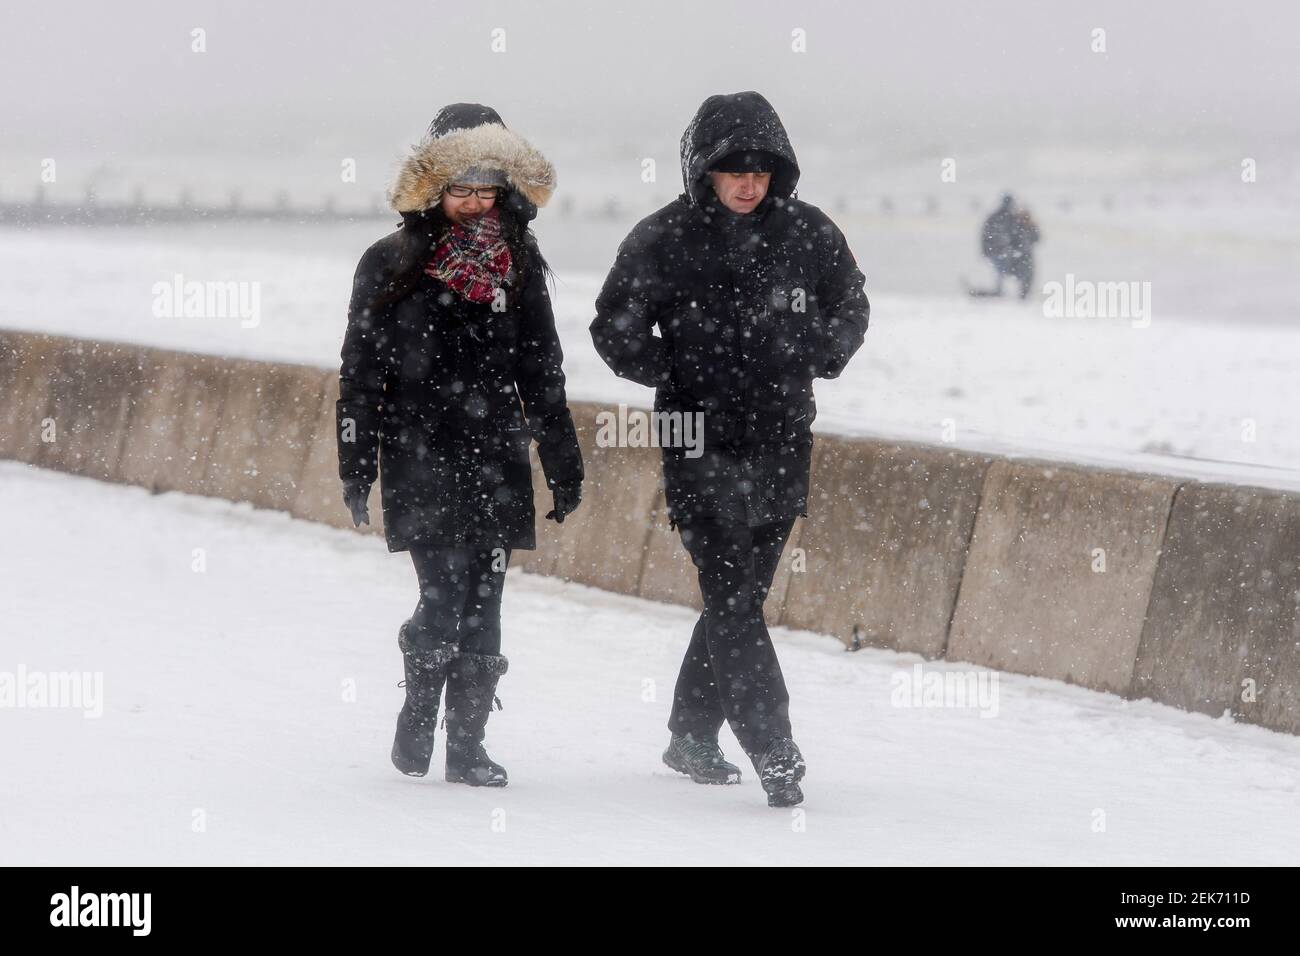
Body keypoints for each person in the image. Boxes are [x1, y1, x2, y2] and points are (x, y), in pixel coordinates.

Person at [590, 91, 869, 807]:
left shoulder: (811, 233)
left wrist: (819, 353)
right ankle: (773, 744)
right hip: (695, 438)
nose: (749, 182)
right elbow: (612, 329)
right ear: (702, 170)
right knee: (732, 595)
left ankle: (689, 735)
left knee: (739, 596)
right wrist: (676, 371)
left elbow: (850, 303)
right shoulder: (661, 239)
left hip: (781, 438)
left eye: (762, 169)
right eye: (732, 168)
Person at [336, 103, 584, 787]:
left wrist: (562, 461)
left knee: (487, 600)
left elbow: (543, 369)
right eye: (462, 189)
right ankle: (419, 706)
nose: (476, 204)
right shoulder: (389, 262)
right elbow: (359, 376)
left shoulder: (520, 263)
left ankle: (467, 745)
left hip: (497, 455)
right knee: (444, 597)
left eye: (488, 190)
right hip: (419, 455)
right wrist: (356, 467)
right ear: (432, 187)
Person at [978, 192, 1040, 299]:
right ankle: (1003, 290)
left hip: (1014, 254)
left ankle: (1010, 291)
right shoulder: (1004, 219)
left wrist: (1029, 225)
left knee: (1021, 270)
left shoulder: (1013, 220)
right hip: (1004, 253)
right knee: (1006, 269)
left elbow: (1035, 238)